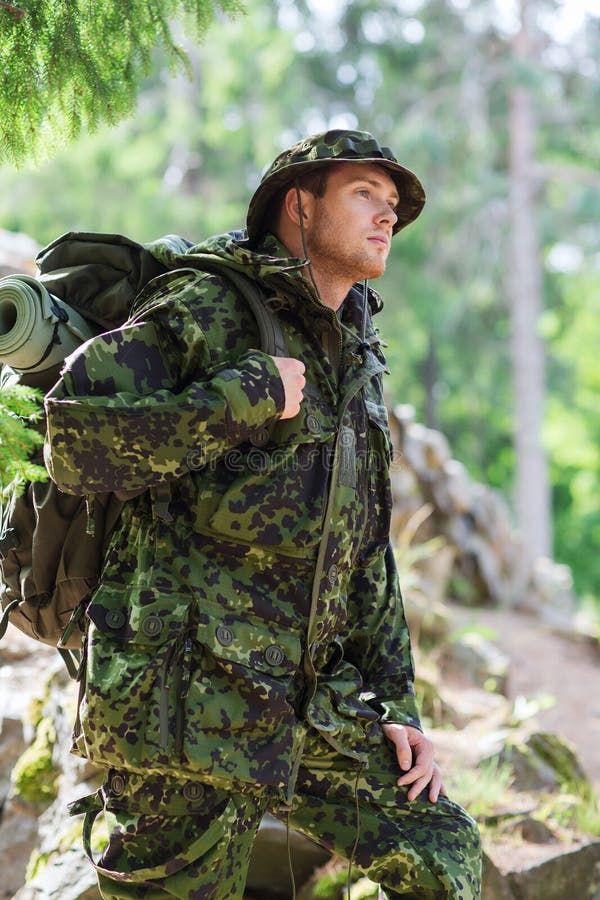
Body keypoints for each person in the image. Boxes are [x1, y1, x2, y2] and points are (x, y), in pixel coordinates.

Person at [44, 129, 482, 899]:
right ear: (300, 207)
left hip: (305, 707)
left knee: (441, 854)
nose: (386, 217)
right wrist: (236, 400)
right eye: (363, 195)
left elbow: (366, 548)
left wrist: (398, 703)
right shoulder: (207, 306)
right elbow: (75, 443)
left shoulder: (357, 353)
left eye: (392, 206)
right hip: (182, 710)